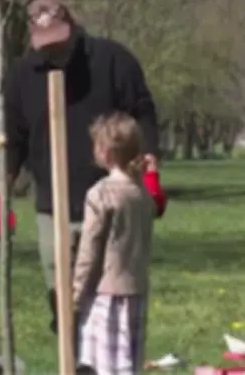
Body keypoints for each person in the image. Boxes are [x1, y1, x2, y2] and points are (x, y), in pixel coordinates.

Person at [3, 0, 166, 333]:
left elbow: (143, 110)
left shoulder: (112, 60)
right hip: (54, 202)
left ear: (73, 27)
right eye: (44, 44)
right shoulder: (21, 75)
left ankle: (107, 358)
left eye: (59, 41)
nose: (53, 51)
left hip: (111, 195)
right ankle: (73, 358)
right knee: (62, 296)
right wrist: (5, 182)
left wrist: (149, 157)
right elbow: (15, 134)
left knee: (109, 289)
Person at [72, 113, 156, 375]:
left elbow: (90, 249)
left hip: (107, 296)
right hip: (136, 292)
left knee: (105, 367)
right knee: (127, 365)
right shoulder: (141, 192)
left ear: (106, 153)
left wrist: (75, 294)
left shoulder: (101, 193)